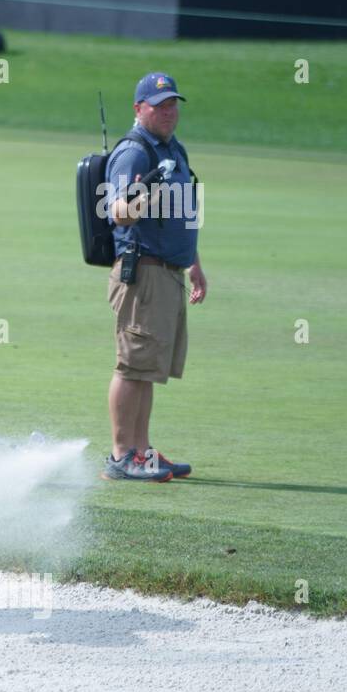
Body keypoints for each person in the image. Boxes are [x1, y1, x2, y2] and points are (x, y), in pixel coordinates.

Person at [103, 72, 207, 482]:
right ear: (138, 109)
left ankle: (141, 452)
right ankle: (121, 456)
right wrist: (141, 199)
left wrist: (194, 262)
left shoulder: (171, 149)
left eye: (173, 104)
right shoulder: (134, 153)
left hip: (169, 272)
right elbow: (116, 210)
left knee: (147, 368)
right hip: (142, 273)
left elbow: (181, 212)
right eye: (160, 105)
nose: (169, 112)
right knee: (132, 366)